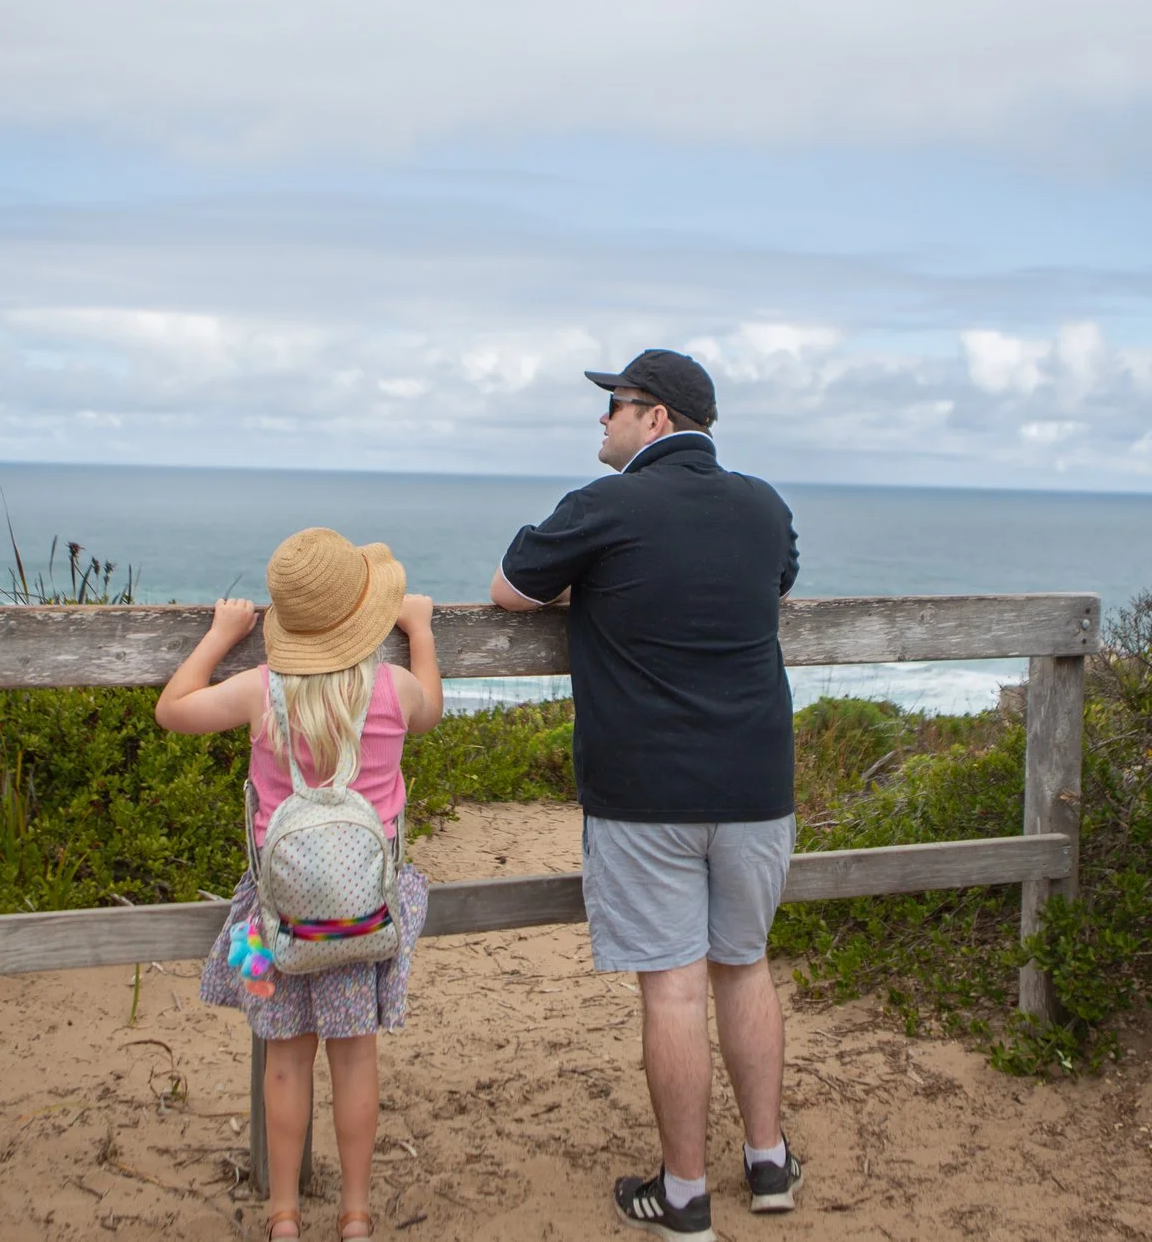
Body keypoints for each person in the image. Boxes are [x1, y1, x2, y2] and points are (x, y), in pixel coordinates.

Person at [490, 349, 805, 1238]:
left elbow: (510, 588)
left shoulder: (607, 504)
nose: (602, 421)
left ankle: (683, 1194)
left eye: (615, 406)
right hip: (756, 783)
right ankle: (769, 1160)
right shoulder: (763, 503)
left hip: (645, 792)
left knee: (673, 986)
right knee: (743, 965)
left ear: (656, 418)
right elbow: (777, 579)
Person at [156, 527, 443, 1242]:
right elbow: (432, 706)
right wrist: (422, 629)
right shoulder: (393, 686)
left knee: (285, 1061)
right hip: (365, 914)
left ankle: (283, 1213)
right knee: (355, 1056)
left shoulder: (261, 691)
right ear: (364, 618)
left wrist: (222, 635)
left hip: (275, 918)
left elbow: (173, 708)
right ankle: (354, 1211)